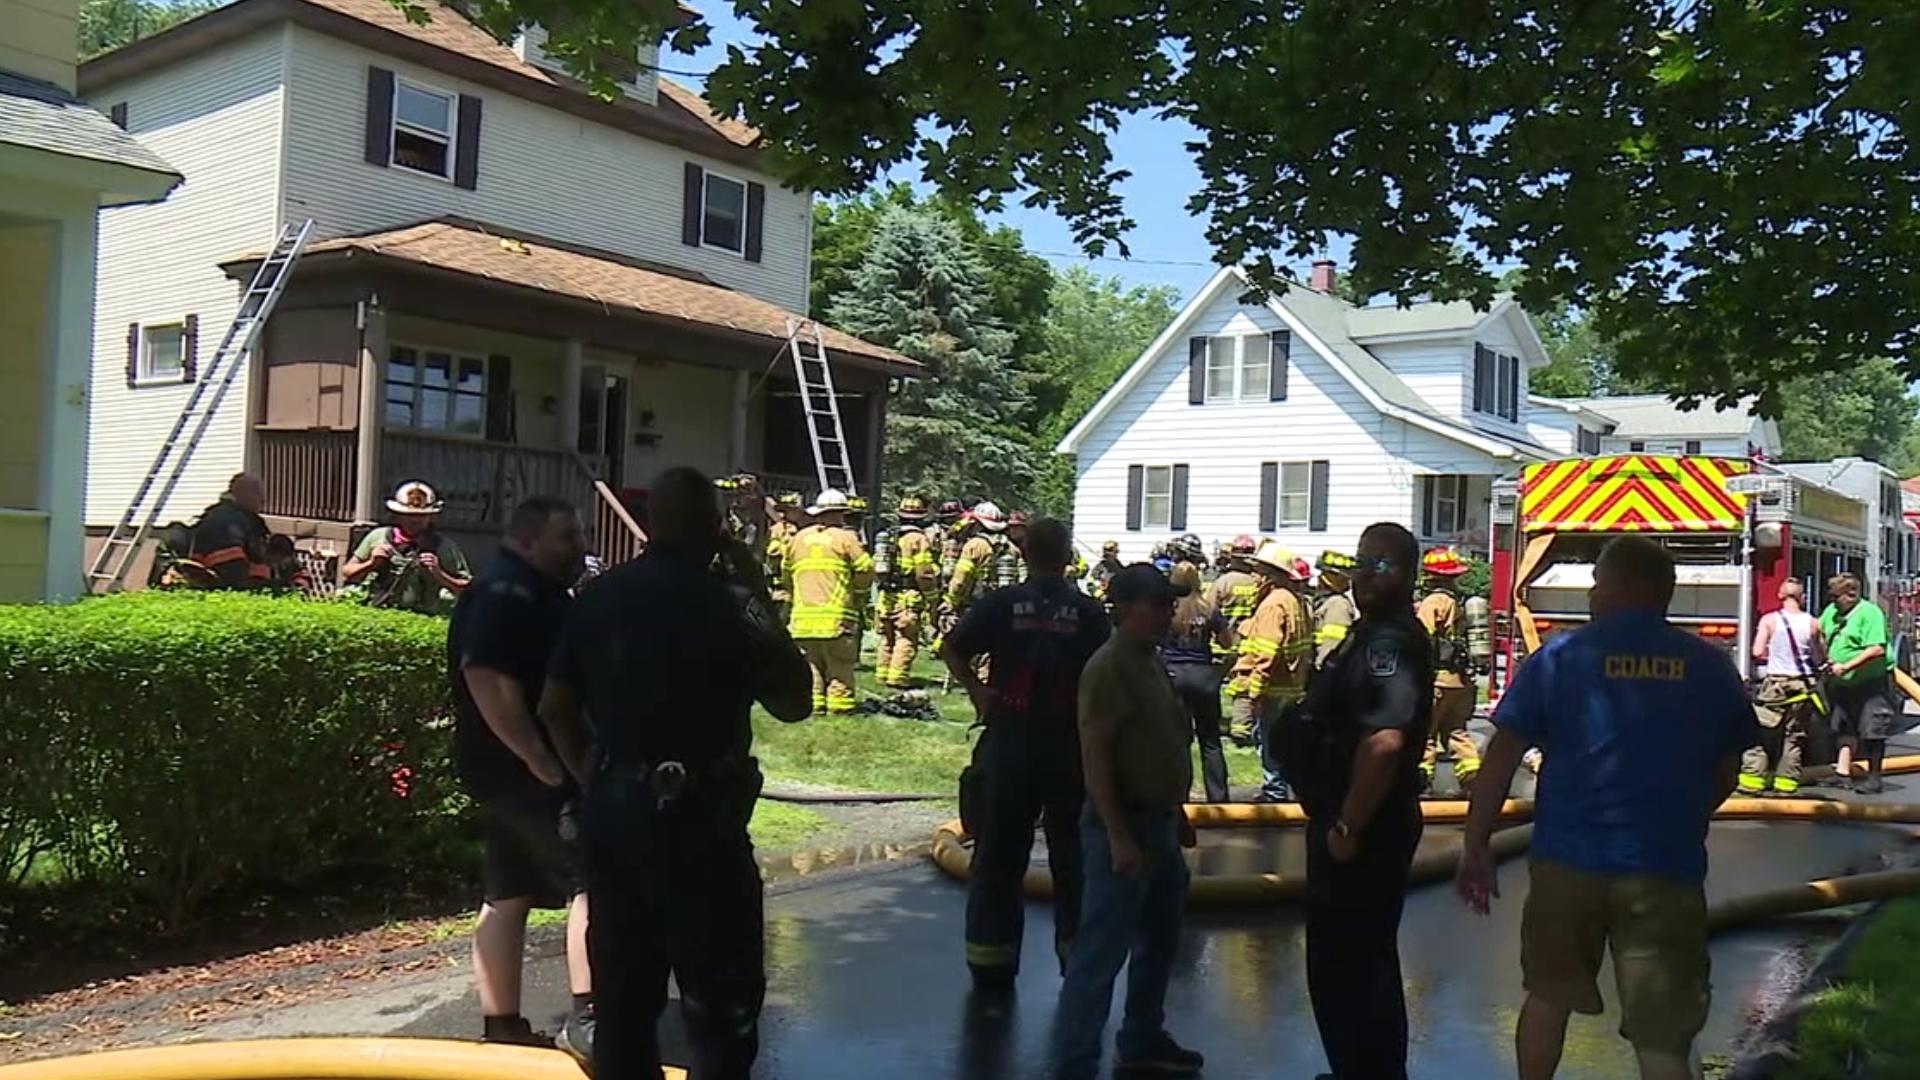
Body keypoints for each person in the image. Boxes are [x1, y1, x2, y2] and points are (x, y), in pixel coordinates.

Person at [540, 467, 812, 1080]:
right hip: (705, 826)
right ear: (717, 530)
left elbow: (554, 707)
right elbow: (796, 702)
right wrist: (756, 589)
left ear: (652, 524)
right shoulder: (733, 603)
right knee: (720, 1008)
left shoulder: (600, 597)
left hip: (617, 820)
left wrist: (592, 775)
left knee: (623, 1006)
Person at [1456, 536, 1756, 1080]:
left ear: (1622, 587)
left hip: (1567, 864)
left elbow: (1500, 757)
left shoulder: (1561, 658)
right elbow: (1728, 771)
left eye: (1598, 583)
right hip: (1664, 871)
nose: (1592, 595)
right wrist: (1679, 815)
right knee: (1663, 1037)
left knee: (1548, 996)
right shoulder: (1709, 667)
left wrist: (1476, 842)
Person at [1272, 523, 1434, 1080]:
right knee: (1355, 961)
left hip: (1363, 825)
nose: (1367, 572)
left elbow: (1385, 741)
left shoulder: (1389, 642)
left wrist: (1348, 826)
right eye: (1362, 560)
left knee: (1349, 963)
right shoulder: (1367, 634)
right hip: (1349, 815)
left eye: (1382, 564)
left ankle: (1367, 1072)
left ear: (1407, 574)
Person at [445, 497, 592, 1055]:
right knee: (593, 882)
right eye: (566, 536)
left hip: (505, 772)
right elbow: (484, 672)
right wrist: (538, 757)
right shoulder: (506, 591)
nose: (577, 547)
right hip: (529, 773)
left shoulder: (534, 590)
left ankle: (502, 1026)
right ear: (527, 539)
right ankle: (591, 1020)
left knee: (508, 890)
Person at [941, 518, 1110, 992]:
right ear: (1067, 556)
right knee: (1073, 859)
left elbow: (952, 648)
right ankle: (1076, 963)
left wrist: (978, 691)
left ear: (1025, 553)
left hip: (1010, 744)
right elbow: (1106, 678)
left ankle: (991, 967)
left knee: (997, 857)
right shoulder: (1089, 612)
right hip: (1069, 750)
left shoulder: (999, 604)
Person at [1051, 564, 1205, 1080]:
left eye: (1170, 602)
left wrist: (1176, 812)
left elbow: (1162, 740)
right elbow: (1096, 755)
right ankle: (1073, 1064)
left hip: (1158, 824)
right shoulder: (1111, 666)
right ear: (1125, 607)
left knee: (1160, 941)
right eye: (1158, 603)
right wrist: (1117, 835)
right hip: (1126, 829)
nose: (1169, 611)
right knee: (1100, 953)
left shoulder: (1148, 659)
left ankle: (1141, 1039)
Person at [1231, 540, 1314, 801]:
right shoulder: (1295, 601)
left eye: (1259, 571)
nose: (1254, 576)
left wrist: (1255, 691)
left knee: (1269, 742)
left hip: (1274, 689)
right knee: (1287, 741)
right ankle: (1289, 789)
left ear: (1272, 574)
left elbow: (1266, 653)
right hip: (1293, 687)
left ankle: (1275, 792)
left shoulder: (1272, 605)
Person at [782, 488, 874, 715]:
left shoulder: (798, 539)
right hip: (836, 620)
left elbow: (786, 572)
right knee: (839, 667)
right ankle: (839, 709)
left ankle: (816, 706)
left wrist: (795, 594)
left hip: (802, 620)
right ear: (838, 514)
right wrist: (859, 592)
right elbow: (865, 568)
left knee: (812, 667)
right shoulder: (846, 538)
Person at [1741, 580, 1827, 796]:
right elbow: (1819, 658)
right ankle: (1785, 785)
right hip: (1803, 685)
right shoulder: (1813, 623)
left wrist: (1775, 654)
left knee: (1760, 734)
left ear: (1780, 595)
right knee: (1794, 737)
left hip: (1775, 686)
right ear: (1803, 597)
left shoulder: (1770, 620)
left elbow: (1758, 651)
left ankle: (1752, 783)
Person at [343, 481, 473, 614]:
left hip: (423, 619)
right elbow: (347, 572)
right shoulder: (378, 537)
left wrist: (439, 574)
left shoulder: (444, 547)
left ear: (431, 517)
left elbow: (466, 588)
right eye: (409, 515)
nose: (415, 520)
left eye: (421, 516)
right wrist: (371, 563)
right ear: (397, 515)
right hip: (377, 613)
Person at [1820, 572, 1897, 794]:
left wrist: (1847, 666)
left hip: (1871, 683)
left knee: (1873, 729)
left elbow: (1876, 648)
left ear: (1852, 594)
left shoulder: (1870, 613)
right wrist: (1827, 657)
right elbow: (1821, 632)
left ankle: (1874, 778)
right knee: (1844, 727)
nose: (1833, 601)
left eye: (1837, 596)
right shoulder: (1832, 612)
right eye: (1831, 596)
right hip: (1843, 684)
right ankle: (1842, 773)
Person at [1416, 546, 1482, 794]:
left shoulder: (1434, 602)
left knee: (1426, 734)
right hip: (1461, 681)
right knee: (1458, 733)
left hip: (1438, 681)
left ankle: (1422, 784)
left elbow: (1421, 637)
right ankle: (1473, 782)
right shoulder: (1462, 602)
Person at [1163, 561, 1231, 802]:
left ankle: (1178, 796)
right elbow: (1227, 642)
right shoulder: (1208, 608)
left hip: (1173, 676)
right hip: (1203, 676)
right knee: (1211, 740)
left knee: (1178, 741)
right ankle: (1219, 798)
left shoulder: (1167, 608)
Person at [876, 496, 939, 687]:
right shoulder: (919, 539)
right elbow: (924, 573)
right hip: (908, 597)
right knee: (905, 639)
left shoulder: (889, 536)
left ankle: (882, 674)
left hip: (886, 596)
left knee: (887, 638)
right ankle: (897, 678)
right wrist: (932, 597)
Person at [172, 473, 274, 589]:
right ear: (242, 492)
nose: (262, 499)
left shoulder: (243, 519)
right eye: (257, 492)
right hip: (233, 591)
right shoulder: (227, 522)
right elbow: (231, 568)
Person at [1209, 535, 1262, 744]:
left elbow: (1208, 611)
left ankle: (1212, 722)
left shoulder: (1222, 583)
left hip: (1222, 646)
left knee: (1212, 688)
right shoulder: (1259, 583)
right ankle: (1244, 726)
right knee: (1244, 688)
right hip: (1248, 644)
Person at [1311, 551, 1359, 669]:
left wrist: (1321, 673)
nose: (1318, 579)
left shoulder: (1338, 606)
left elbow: (1332, 646)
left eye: (1324, 574)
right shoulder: (1326, 602)